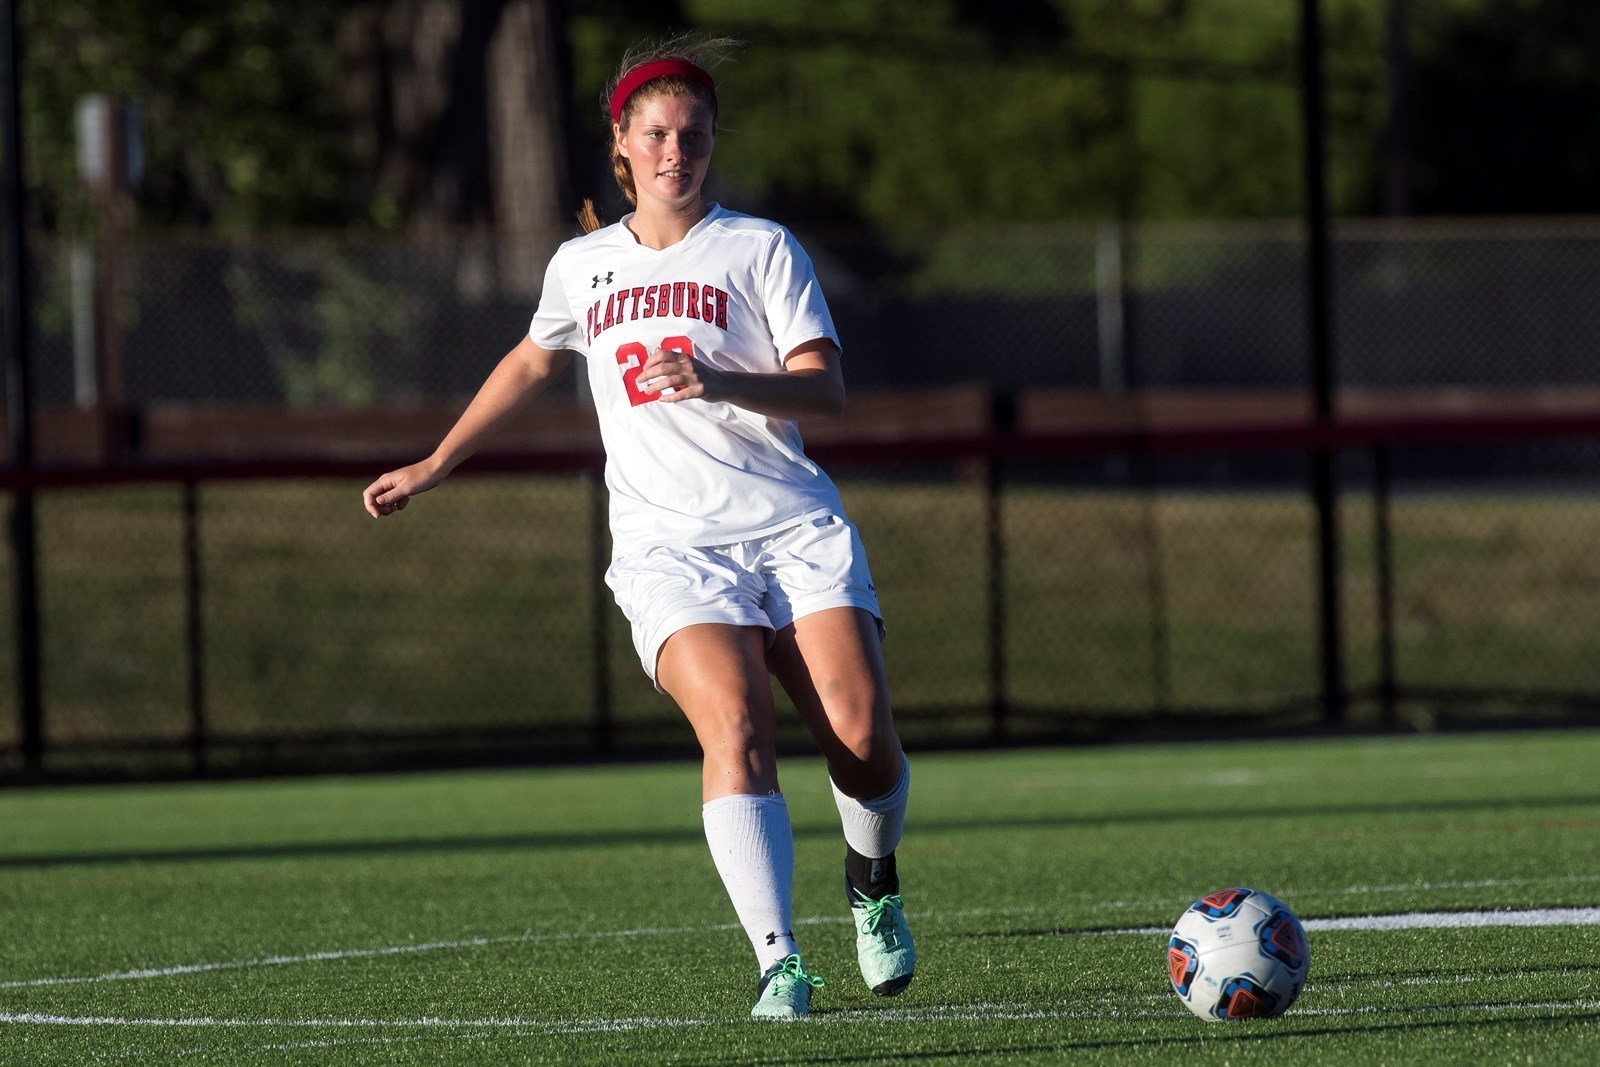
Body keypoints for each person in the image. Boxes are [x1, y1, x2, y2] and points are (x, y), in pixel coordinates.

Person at [361, 35, 913, 1020]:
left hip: (790, 527)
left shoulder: (759, 246)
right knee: (734, 726)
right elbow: (531, 362)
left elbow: (824, 388)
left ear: (711, 144)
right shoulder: (582, 265)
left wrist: (721, 379)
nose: (674, 150)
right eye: (654, 133)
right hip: (669, 547)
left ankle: (872, 882)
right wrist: (436, 460)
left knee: (862, 738)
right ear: (621, 142)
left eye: (692, 134)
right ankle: (777, 957)